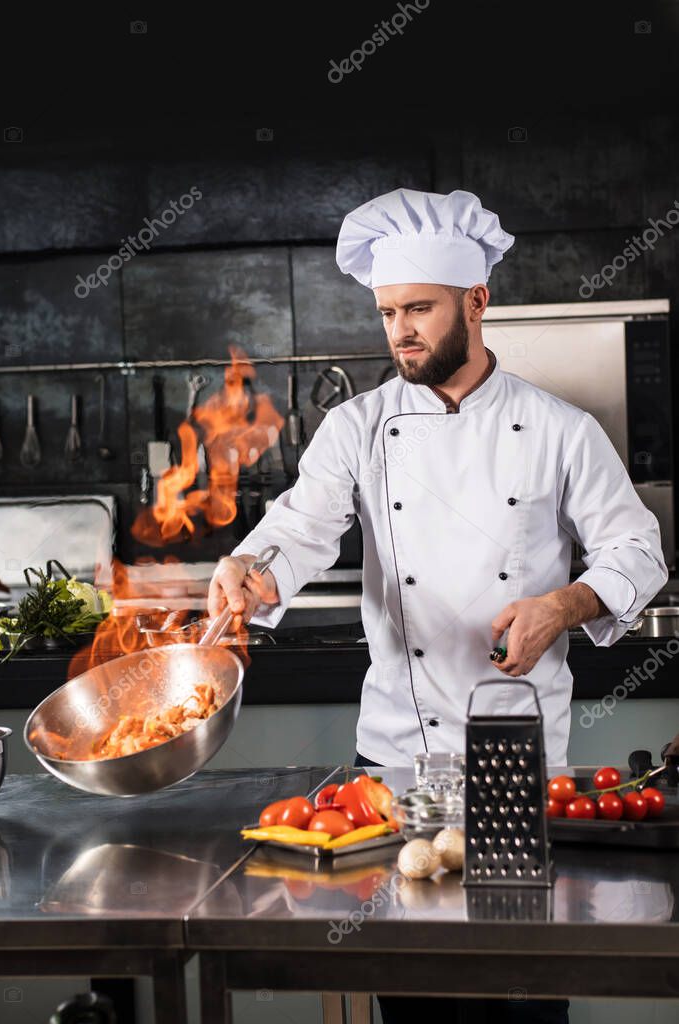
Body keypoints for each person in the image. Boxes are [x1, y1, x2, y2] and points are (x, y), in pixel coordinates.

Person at [208, 188, 668, 1023]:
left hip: (516, 762)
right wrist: (253, 569)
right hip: (392, 770)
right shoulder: (357, 426)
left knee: (519, 988)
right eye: (387, 313)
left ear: (477, 300)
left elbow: (637, 552)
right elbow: (301, 527)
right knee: (415, 991)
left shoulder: (559, 428)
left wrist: (562, 605)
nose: (399, 332)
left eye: (417, 308)